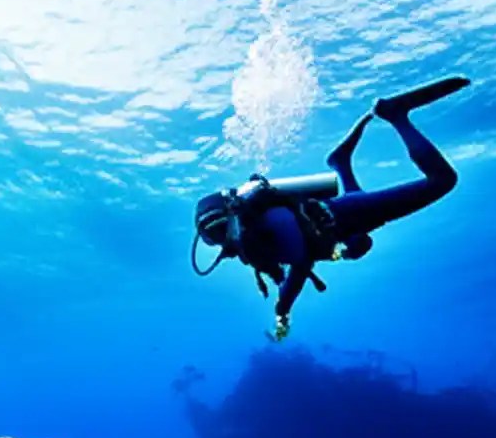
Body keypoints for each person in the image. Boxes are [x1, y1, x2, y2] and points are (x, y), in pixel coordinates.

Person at [192, 75, 470, 341]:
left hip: (346, 215)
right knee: (359, 219)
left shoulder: (252, 245)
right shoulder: (253, 226)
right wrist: (285, 302)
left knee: (442, 182)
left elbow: (300, 263)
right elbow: (302, 251)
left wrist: (282, 311)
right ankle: (339, 161)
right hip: (339, 215)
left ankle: (396, 115)